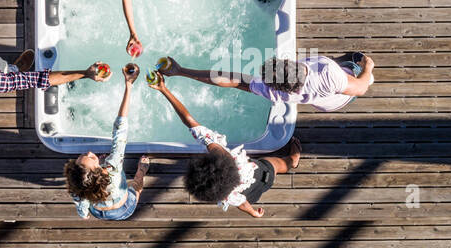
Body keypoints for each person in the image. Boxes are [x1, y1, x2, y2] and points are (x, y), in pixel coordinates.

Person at [149, 71, 300, 218]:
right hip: (260, 171)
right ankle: (293, 160)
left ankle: (291, 162)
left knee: (270, 172)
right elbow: (188, 119)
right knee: (280, 164)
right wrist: (164, 89)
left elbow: (243, 204)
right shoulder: (218, 150)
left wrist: (254, 213)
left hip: (250, 194)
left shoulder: (226, 194)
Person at [63, 63, 150, 221]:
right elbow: (120, 130)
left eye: (83, 155)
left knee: (87, 200)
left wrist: (84, 215)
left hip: (99, 211)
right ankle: (142, 171)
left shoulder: (78, 189)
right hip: (125, 206)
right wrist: (128, 85)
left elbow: (81, 204)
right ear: (99, 171)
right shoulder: (113, 168)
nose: (90, 152)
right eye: (91, 158)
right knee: (136, 186)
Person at [160, 52, 375, 112]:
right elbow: (361, 88)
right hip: (341, 95)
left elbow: (231, 79)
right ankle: (357, 64)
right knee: (356, 64)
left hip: (323, 101)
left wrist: (181, 71)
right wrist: (368, 67)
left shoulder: (275, 92)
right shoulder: (328, 72)